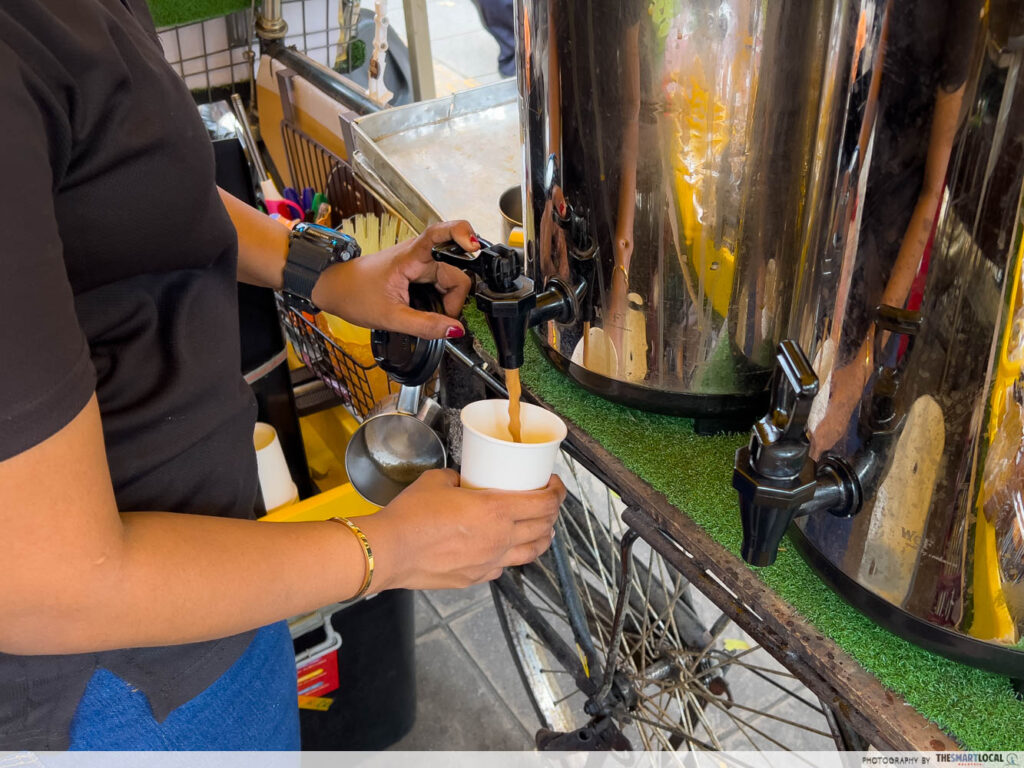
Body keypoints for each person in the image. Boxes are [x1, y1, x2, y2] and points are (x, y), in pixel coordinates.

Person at [0, 0, 564, 750]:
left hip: (220, 579)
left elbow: (129, 185)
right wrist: (385, 551)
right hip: (116, 685)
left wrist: (328, 273)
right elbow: (51, 587)